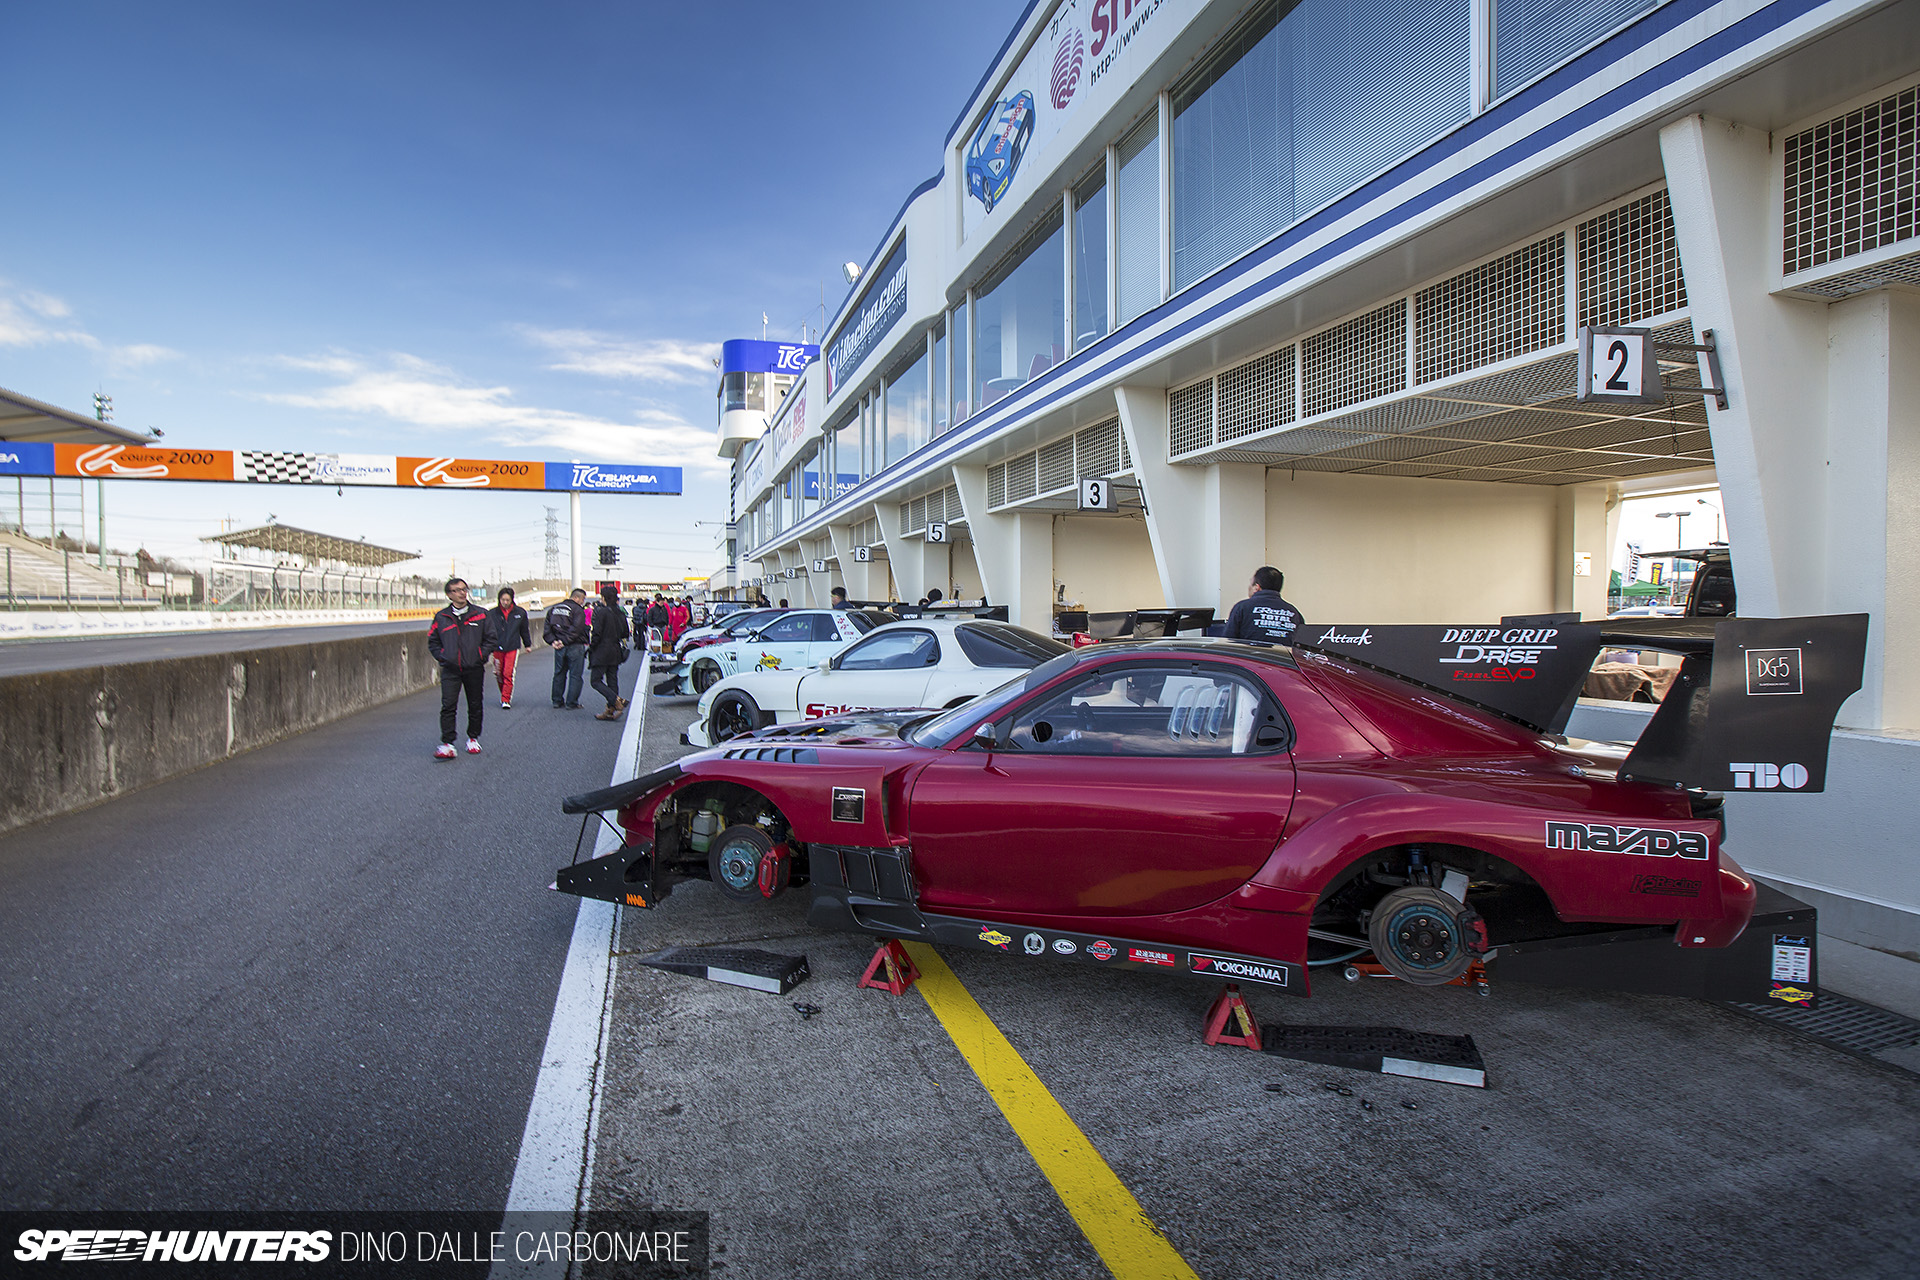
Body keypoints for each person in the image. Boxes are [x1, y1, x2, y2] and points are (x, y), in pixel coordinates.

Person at [427, 577, 495, 758]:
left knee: (475, 704)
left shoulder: (481, 614)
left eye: (464, 589)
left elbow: (491, 638)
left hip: (473, 667)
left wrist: (481, 655)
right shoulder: (441, 617)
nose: (462, 593)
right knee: (448, 705)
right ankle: (447, 743)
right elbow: (432, 640)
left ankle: (473, 738)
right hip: (450, 668)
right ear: (449, 595)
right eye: (457, 590)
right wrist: (443, 657)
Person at [1224, 566, 1306, 644]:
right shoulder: (1294, 612)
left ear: (1257, 587)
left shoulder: (1242, 608)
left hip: (1249, 657)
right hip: (1282, 658)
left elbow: (1227, 642)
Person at [587, 585, 632, 721]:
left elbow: (597, 633)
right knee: (612, 679)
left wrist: (592, 646)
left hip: (602, 649)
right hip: (615, 649)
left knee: (595, 680)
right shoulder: (620, 612)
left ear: (603, 598)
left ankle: (616, 700)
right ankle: (610, 710)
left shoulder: (602, 612)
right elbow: (625, 632)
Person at [486, 587, 532, 709]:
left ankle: (506, 698)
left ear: (512, 599)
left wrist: (527, 645)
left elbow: (524, 630)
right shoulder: (492, 613)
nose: (505, 602)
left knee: (508, 672)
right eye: (503, 600)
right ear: (499, 599)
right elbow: (487, 631)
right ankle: (503, 692)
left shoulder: (520, 613)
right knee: (498, 673)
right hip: (497, 647)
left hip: (512, 646)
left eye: (507, 600)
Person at [545, 588, 589, 709]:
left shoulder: (553, 609)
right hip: (574, 645)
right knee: (575, 675)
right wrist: (564, 641)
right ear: (576, 598)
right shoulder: (577, 610)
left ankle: (557, 700)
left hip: (558, 646)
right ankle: (571, 702)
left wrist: (553, 641)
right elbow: (577, 628)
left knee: (559, 673)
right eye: (582, 599)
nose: (582, 602)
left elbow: (547, 628)